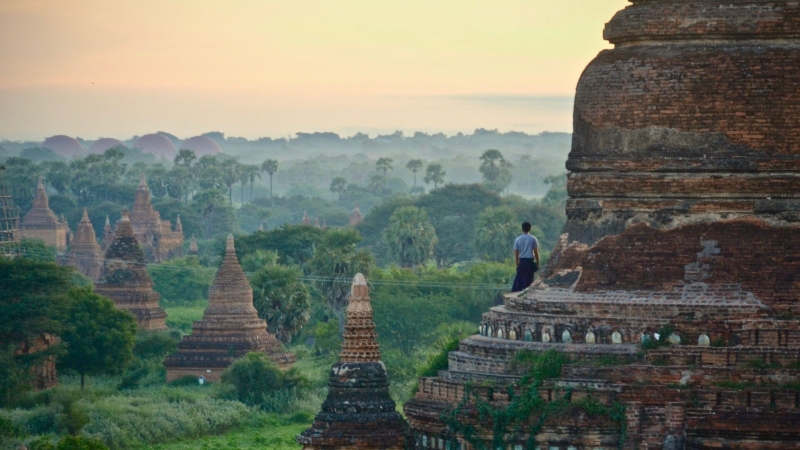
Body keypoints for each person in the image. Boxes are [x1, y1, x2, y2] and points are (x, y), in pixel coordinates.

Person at [511, 222, 539, 292]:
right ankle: (527, 292)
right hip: (530, 261)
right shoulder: (533, 239)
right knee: (529, 279)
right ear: (530, 229)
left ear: (522, 229)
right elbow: (536, 252)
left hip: (522, 261)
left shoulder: (517, 239)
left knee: (520, 279)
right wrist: (538, 262)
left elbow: (516, 253)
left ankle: (518, 293)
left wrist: (517, 263)